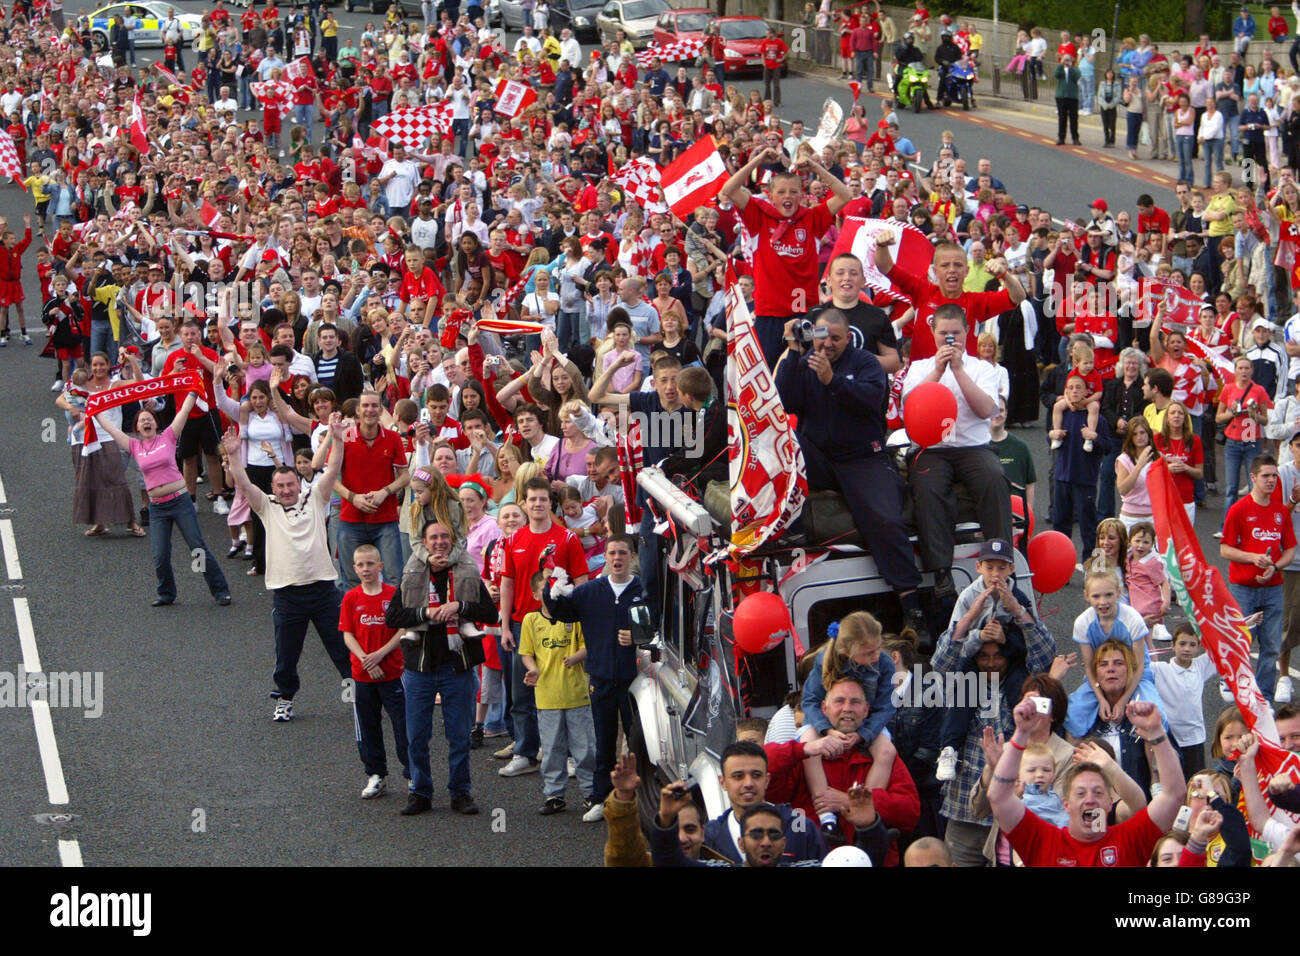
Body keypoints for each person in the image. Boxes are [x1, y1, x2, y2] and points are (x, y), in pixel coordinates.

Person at [774, 308, 929, 640]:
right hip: (818, 455)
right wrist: (791, 349)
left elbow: (870, 400)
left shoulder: (865, 364)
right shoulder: (805, 360)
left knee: (885, 519)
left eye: (834, 338)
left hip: (861, 457)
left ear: (848, 337)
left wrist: (832, 381)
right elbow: (783, 400)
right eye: (821, 336)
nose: (827, 344)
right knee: (782, 441)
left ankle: (910, 602)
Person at [222, 417, 353, 722]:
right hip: (287, 594)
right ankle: (285, 699)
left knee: (342, 648)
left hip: (323, 590)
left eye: (290, 484)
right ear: (272, 488)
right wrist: (233, 454)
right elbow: (242, 482)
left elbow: (333, 469)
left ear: (298, 482)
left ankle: (358, 691)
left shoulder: (316, 497)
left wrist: (338, 439)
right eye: (279, 486)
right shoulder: (265, 505)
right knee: (287, 655)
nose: (285, 490)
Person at [931, 570, 1057, 866]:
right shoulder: (962, 680)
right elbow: (941, 662)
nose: (990, 662)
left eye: (997, 656)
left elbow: (1045, 652)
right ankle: (947, 754)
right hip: (967, 808)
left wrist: (1015, 609)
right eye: (983, 657)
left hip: (1020, 805)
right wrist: (971, 618)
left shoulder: (1024, 682)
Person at [384, 519, 499, 817]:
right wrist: (425, 613)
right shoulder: (412, 573)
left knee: (459, 734)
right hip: (419, 668)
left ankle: (460, 792)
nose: (439, 542)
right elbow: (393, 616)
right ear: (423, 543)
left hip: (457, 667)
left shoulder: (466, 571)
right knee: (417, 735)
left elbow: (490, 611)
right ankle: (420, 792)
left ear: (453, 540)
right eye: (433, 537)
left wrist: (460, 607)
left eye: (445, 536)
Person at [900, 304, 1013, 602]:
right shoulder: (919, 368)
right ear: (932, 334)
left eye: (956, 333)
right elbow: (910, 409)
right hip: (933, 449)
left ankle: (1001, 561)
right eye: (943, 334)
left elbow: (986, 410)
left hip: (972, 447)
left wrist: (959, 370)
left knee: (994, 478)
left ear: (968, 333)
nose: (950, 340)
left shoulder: (983, 368)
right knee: (926, 486)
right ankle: (940, 571)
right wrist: (938, 369)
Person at [986, 697, 1185, 866]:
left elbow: (1173, 795)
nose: (1090, 800)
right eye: (1080, 793)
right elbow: (999, 797)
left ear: (1109, 802)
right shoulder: (1044, 839)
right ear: (1066, 804)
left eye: (1098, 792)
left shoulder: (1129, 839)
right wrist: (1021, 734)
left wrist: (1156, 731)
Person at [93, 391, 232, 607]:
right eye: (142, 421)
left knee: (197, 547)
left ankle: (220, 590)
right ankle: (166, 594)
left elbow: (184, 411)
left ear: (156, 424)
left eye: (149, 419)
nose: (146, 422)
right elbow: (110, 429)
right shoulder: (134, 446)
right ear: (137, 428)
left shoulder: (168, 436)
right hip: (157, 508)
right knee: (160, 555)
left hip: (180, 502)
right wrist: (95, 411)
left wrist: (193, 391)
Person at [544, 534, 645, 822]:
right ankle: (601, 799)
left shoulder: (641, 589)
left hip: (634, 681)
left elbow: (654, 628)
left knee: (637, 740)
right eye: (612, 552)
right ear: (606, 557)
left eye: (623, 553)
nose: (616, 558)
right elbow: (562, 612)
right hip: (600, 678)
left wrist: (637, 637)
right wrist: (551, 587)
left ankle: (639, 797)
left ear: (632, 556)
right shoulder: (591, 590)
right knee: (603, 741)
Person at [719, 148, 850, 369]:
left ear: (801, 195)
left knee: (806, 373)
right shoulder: (759, 216)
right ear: (771, 195)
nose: (787, 196)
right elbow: (729, 189)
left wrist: (815, 167)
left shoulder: (812, 219)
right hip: (769, 316)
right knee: (768, 376)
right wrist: (758, 160)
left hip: (805, 314)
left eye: (793, 191)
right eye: (781, 192)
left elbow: (845, 195)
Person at [498, 477, 590, 777]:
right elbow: (507, 583)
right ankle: (525, 751)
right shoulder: (512, 540)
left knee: (566, 693)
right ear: (523, 504)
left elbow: (580, 582)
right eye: (532, 499)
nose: (538, 504)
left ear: (550, 503)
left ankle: (569, 755)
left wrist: (581, 623)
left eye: (542, 499)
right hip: (523, 623)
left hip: (560, 625)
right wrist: (505, 625)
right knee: (522, 692)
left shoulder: (567, 538)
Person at [874, 235, 1026, 363]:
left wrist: (1004, 275)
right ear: (935, 271)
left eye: (958, 265)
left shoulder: (975, 301)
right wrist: (881, 245)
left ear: (966, 271)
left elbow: (1018, 296)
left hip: (962, 383)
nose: (952, 270)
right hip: (925, 382)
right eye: (945, 265)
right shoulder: (922, 291)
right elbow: (886, 267)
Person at [520, 570, 596, 817]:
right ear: (535, 594)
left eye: (553, 585)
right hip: (547, 696)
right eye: (544, 586)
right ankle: (554, 794)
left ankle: (591, 792)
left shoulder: (574, 619)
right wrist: (532, 670)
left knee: (584, 747)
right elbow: (526, 652)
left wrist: (575, 658)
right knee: (552, 748)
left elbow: (587, 646)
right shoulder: (531, 621)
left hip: (576, 694)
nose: (549, 590)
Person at [1220, 454, 1295, 703]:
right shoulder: (1238, 510)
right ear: (1253, 478)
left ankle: (1263, 699)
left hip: (1273, 588)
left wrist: (1275, 565)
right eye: (1266, 476)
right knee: (1241, 641)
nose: (1271, 480)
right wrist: (1252, 557)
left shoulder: (1280, 511)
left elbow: (1290, 550)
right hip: (1243, 587)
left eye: (1274, 475)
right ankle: (1235, 687)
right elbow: (1225, 549)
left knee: (1271, 646)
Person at [339, 543, 409, 799]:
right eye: (361, 565)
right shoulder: (350, 598)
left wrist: (381, 654)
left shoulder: (393, 594)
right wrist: (366, 659)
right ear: (354, 568)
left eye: (371, 564)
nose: (366, 569)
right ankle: (376, 774)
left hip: (393, 671)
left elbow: (403, 630)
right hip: (362, 675)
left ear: (381, 566)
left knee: (403, 724)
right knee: (368, 727)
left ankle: (413, 775)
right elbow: (348, 634)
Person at [335, 390, 410, 587]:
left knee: (394, 577)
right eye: (365, 406)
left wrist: (384, 492)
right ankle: (354, 618)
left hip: (385, 519)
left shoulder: (393, 438)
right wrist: (353, 498)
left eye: (374, 406)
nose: (370, 410)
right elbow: (331, 479)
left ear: (380, 410)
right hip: (351, 518)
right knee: (350, 579)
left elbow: (405, 477)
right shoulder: (344, 437)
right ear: (358, 410)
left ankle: (392, 618)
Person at [1151, 622, 1220, 776]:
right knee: (1171, 782)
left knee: (1196, 782)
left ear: (1198, 647)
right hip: (1170, 738)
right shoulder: (1161, 669)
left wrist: (1244, 625)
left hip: (1194, 738)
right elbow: (1135, 660)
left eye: (1192, 644)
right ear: (1172, 645)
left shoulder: (1201, 666)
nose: (1187, 649)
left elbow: (1222, 644)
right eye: (1182, 644)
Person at [1054, 54, 1081, 146]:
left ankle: (1075, 138)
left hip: (1072, 97)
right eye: (1065, 60)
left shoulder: (1074, 70)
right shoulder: (1061, 69)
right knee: (1062, 118)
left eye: (1068, 60)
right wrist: (1061, 64)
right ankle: (1061, 138)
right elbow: (1056, 75)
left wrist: (1071, 67)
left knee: (1074, 118)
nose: (1066, 62)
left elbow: (1078, 76)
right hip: (1061, 97)